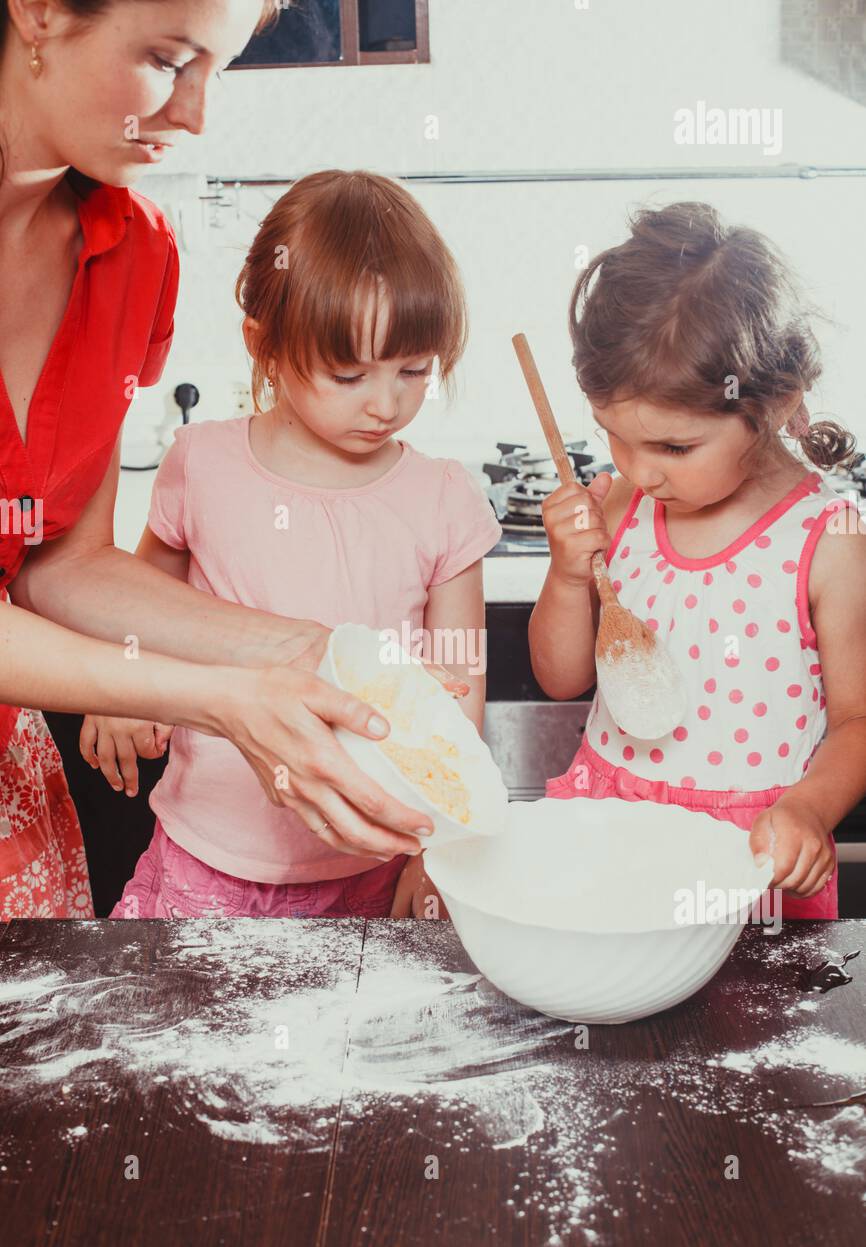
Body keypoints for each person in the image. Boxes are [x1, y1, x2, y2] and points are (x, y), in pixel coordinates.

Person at [0, 0, 438, 918]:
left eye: (219, 70)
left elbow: (57, 565)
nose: (197, 116)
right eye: (167, 60)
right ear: (38, 11)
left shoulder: (136, 256)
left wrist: (310, 654)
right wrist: (220, 697)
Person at [78, 169, 500, 921]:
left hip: (371, 866)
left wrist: (442, 850)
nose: (386, 403)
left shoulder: (443, 498)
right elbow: (131, 609)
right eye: (349, 374)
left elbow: (459, 700)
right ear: (265, 345)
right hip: (203, 858)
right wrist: (117, 689)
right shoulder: (200, 463)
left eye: (413, 371)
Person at [529, 202, 866, 919]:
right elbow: (561, 680)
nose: (639, 471)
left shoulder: (828, 539)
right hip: (613, 827)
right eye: (614, 437)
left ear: (775, 404)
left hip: (751, 854)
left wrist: (808, 809)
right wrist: (565, 574)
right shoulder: (621, 507)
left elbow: (858, 721)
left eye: (674, 448)